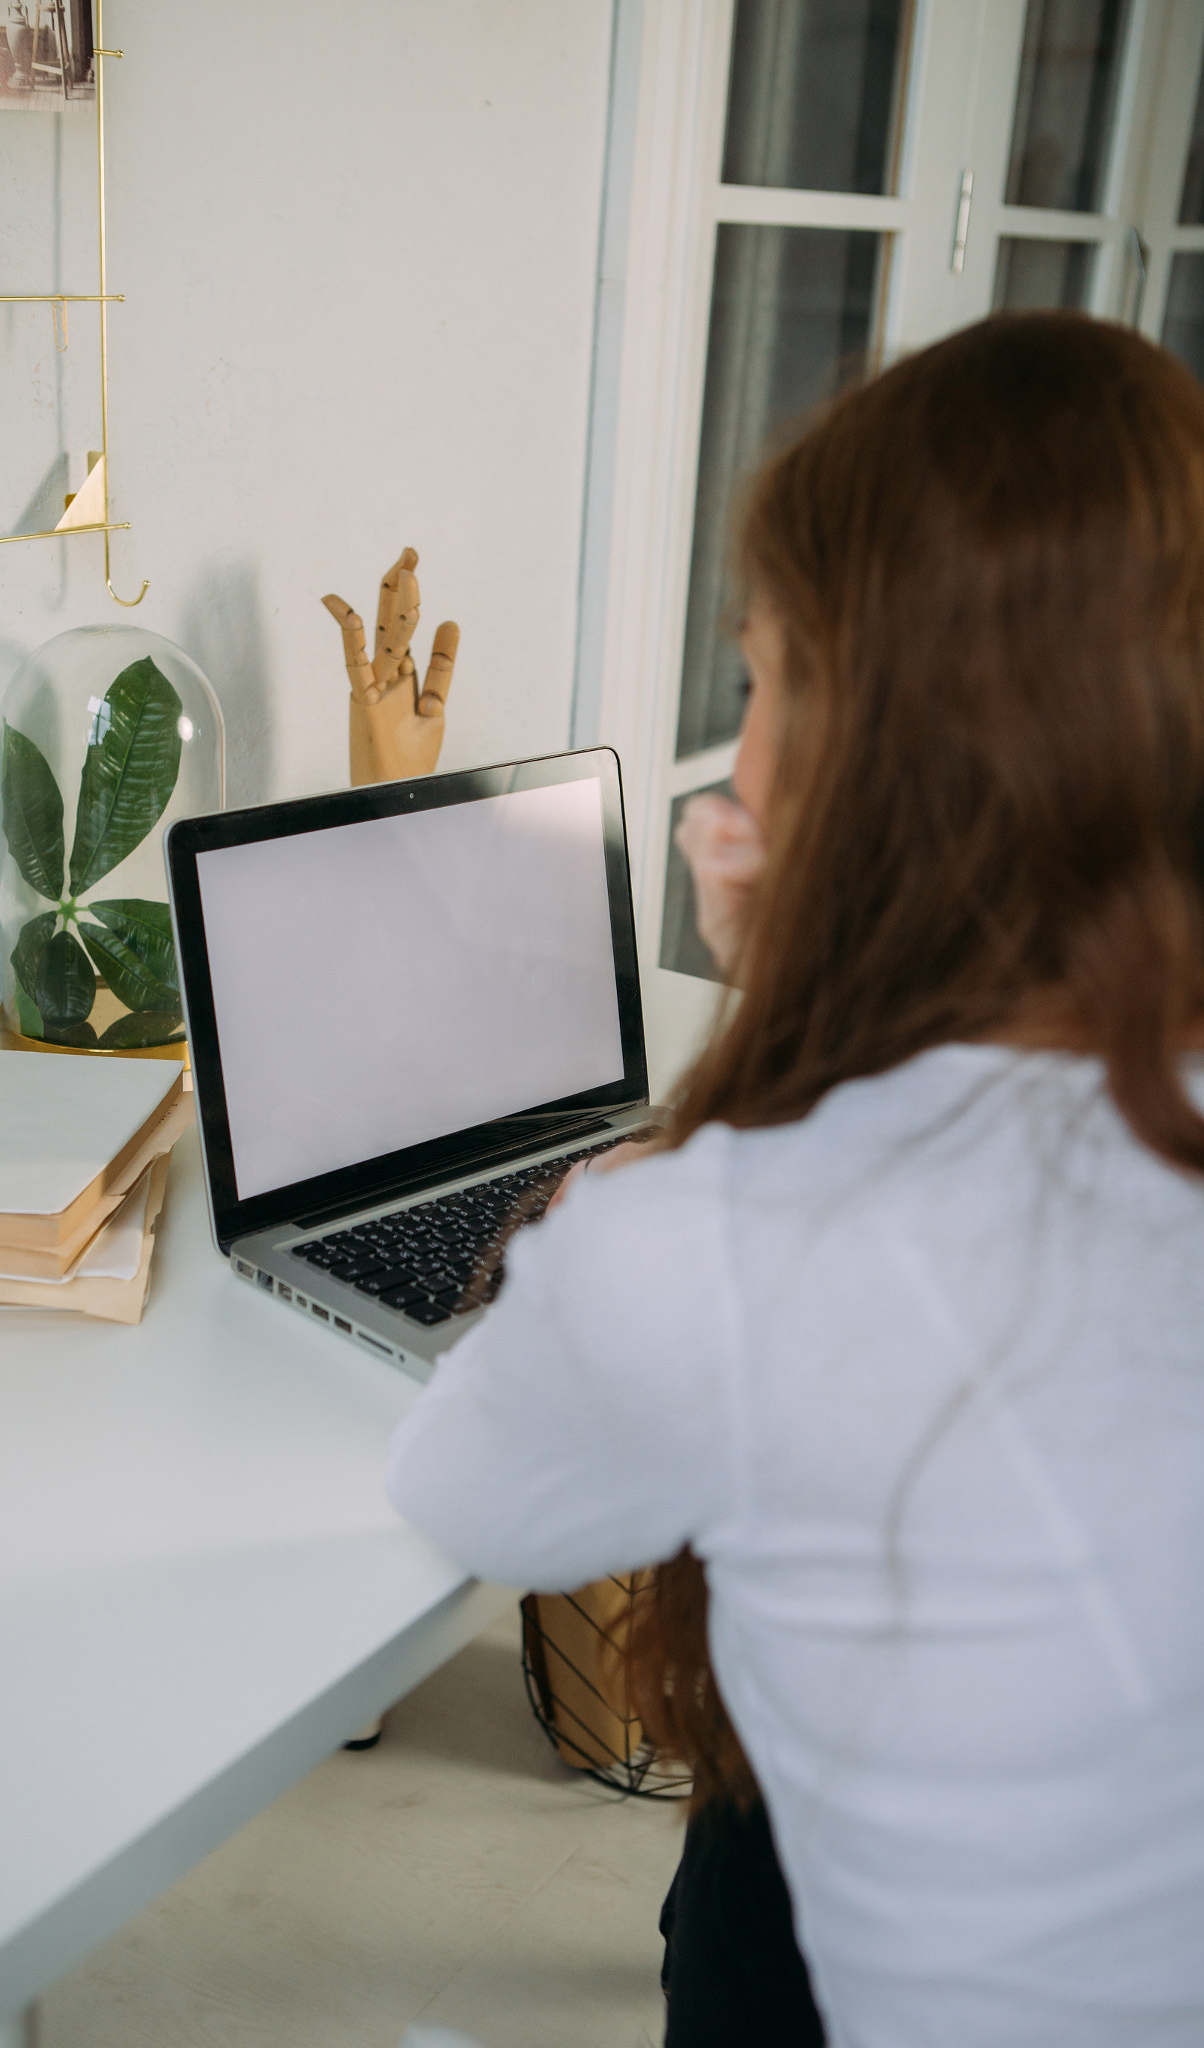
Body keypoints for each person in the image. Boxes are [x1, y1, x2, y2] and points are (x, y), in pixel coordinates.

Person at [385, 312, 1204, 2047]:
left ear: (871, 761)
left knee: (738, 1841)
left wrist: (752, 1049)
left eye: (760, 680)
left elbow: (467, 1505)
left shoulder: (711, 1245)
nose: (737, 744)